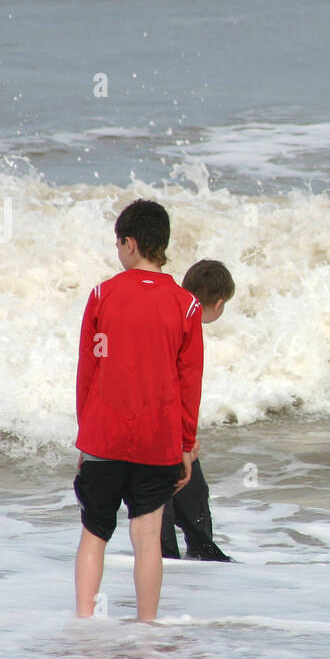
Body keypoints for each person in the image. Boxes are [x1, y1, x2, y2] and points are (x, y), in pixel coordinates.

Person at [73, 199, 203, 620]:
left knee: (94, 534)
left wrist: (85, 434)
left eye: (117, 244)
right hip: (158, 439)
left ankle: (84, 623)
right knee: (147, 538)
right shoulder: (186, 306)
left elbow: (88, 371)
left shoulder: (101, 295)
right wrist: (186, 444)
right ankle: (147, 628)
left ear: (129, 244)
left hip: (104, 436)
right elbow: (190, 383)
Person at [160, 259, 236, 562]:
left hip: (150, 429)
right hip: (166, 437)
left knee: (167, 504)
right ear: (218, 305)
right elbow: (181, 388)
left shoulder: (166, 317)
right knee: (183, 498)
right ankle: (192, 563)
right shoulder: (187, 329)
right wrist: (185, 443)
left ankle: (182, 567)